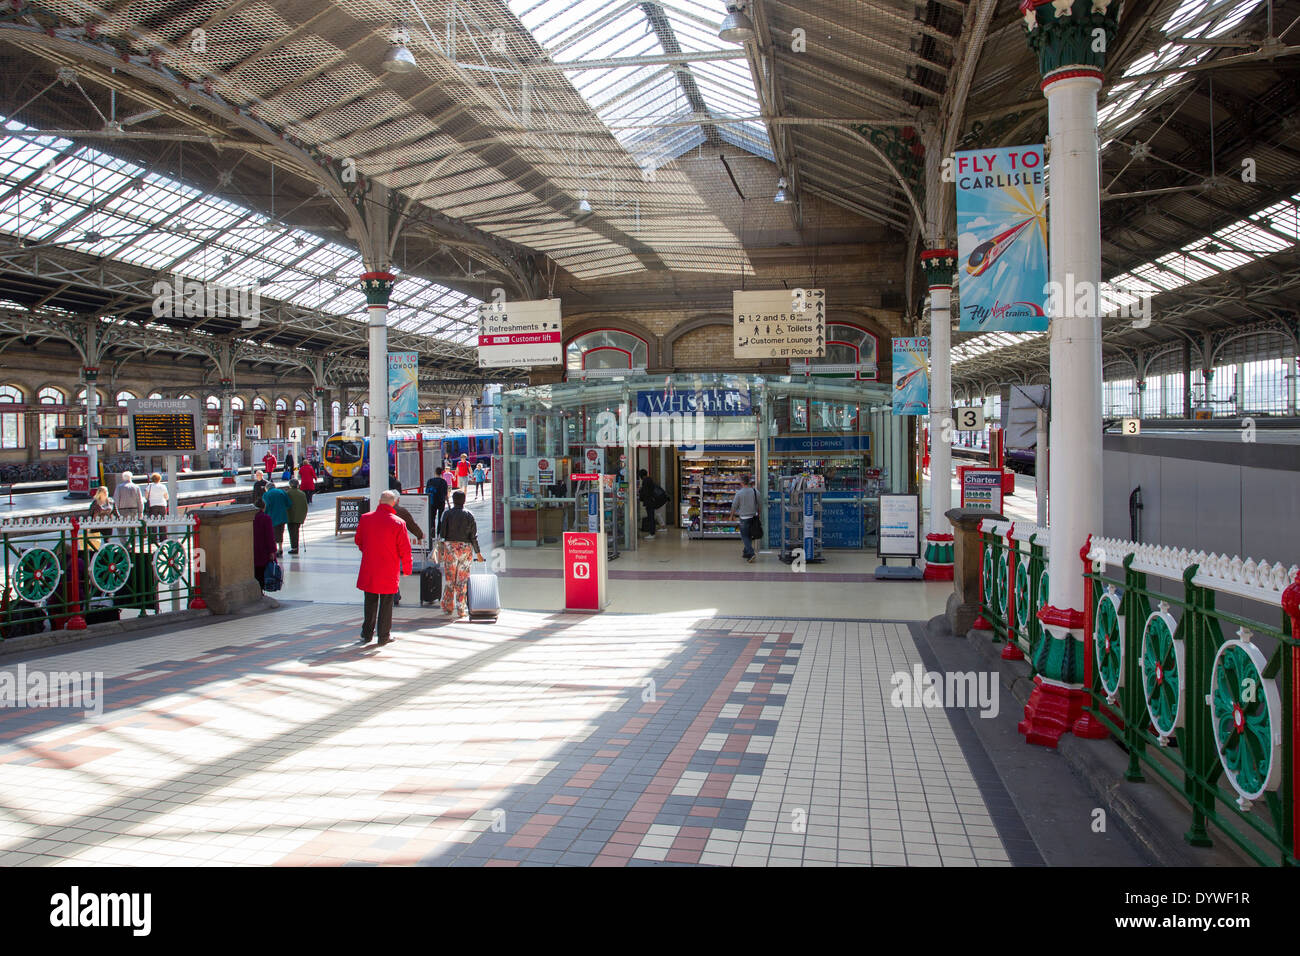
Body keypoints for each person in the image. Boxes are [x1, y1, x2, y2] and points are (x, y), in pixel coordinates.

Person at [354, 490, 411, 646]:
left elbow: (358, 540)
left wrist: (367, 550)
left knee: (370, 601)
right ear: (394, 503)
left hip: (370, 567)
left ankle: (366, 634)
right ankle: (383, 636)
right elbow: (404, 549)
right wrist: (407, 568)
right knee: (386, 603)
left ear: (379, 502)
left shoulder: (365, 519)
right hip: (389, 569)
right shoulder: (398, 523)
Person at [437, 490, 484, 618]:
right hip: (465, 549)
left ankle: (447, 606)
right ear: (464, 501)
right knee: (462, 580)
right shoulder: (469, 515)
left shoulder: (447, 514)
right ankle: (461, 609)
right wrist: (478, 553)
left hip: (450, 548)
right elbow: (474, 536)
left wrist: (442, 550)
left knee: (450, 579)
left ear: (453, 499)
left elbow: (442, 534)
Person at [389, 498, 425, 607]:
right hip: (395, 546)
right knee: (393, 571)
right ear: (397, 500)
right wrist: (419, 535)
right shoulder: (401, 511)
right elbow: (411, 524)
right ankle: (394, 594)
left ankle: (393, 594)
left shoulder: (377, 512)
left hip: (381, 547)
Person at [728, 473, 760, 564]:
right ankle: (746, 552)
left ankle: (751, 553)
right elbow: (759, 504)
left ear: (742, 483)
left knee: (745, 536)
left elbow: (734, 505)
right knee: (749, 535)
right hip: (753, 517)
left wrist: (731, 515)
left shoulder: (739, 493)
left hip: (744, 518)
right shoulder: (755, 491)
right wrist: (759, 514)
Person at [252, 499, 276, 590]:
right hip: (264, 551)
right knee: (263, 573)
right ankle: (261, 592)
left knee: (255, 573)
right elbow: (270, 536)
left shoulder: (250, 518)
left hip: (253, 550)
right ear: (264, 507)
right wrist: (272, 551)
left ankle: (256, 591)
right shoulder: (266, 518)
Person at [262, 480, 290, 555]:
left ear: (267, 488)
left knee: (273, 534)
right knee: (280, 532)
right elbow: (288, 504)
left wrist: (264, 514)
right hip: (282, 516)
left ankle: (275, 550)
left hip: (272, 517)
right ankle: (280, 548)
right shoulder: (282, 492)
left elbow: (266, 506)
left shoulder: (266, 494)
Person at [285, 478, 308, 555]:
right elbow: (305, 506)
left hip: (290, 516)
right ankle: (295, 547)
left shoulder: (287, 493)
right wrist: (303, 517)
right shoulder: (302, 493)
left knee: (292, 533)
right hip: (299, 517)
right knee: (296, 532)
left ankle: (294, 548)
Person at [426, 471, 448, 538]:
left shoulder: (430, 481)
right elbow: (445, 493)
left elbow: (426, 491)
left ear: (435, 473)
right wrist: (448, 502)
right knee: (440, 518)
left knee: (432, 517)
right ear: (441, 474)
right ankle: (439, 533)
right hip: (441, 501)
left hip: (432, 501)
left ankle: (432, 530)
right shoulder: (443, 482)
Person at [637, 469, 657, 538]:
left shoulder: (645, 481)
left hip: (649, 502)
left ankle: (652, 533)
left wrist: (640, 493)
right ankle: (652, 532)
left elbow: (645, 492)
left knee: (650, 517)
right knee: (651, 517)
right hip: (652, 501)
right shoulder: (649, 479)